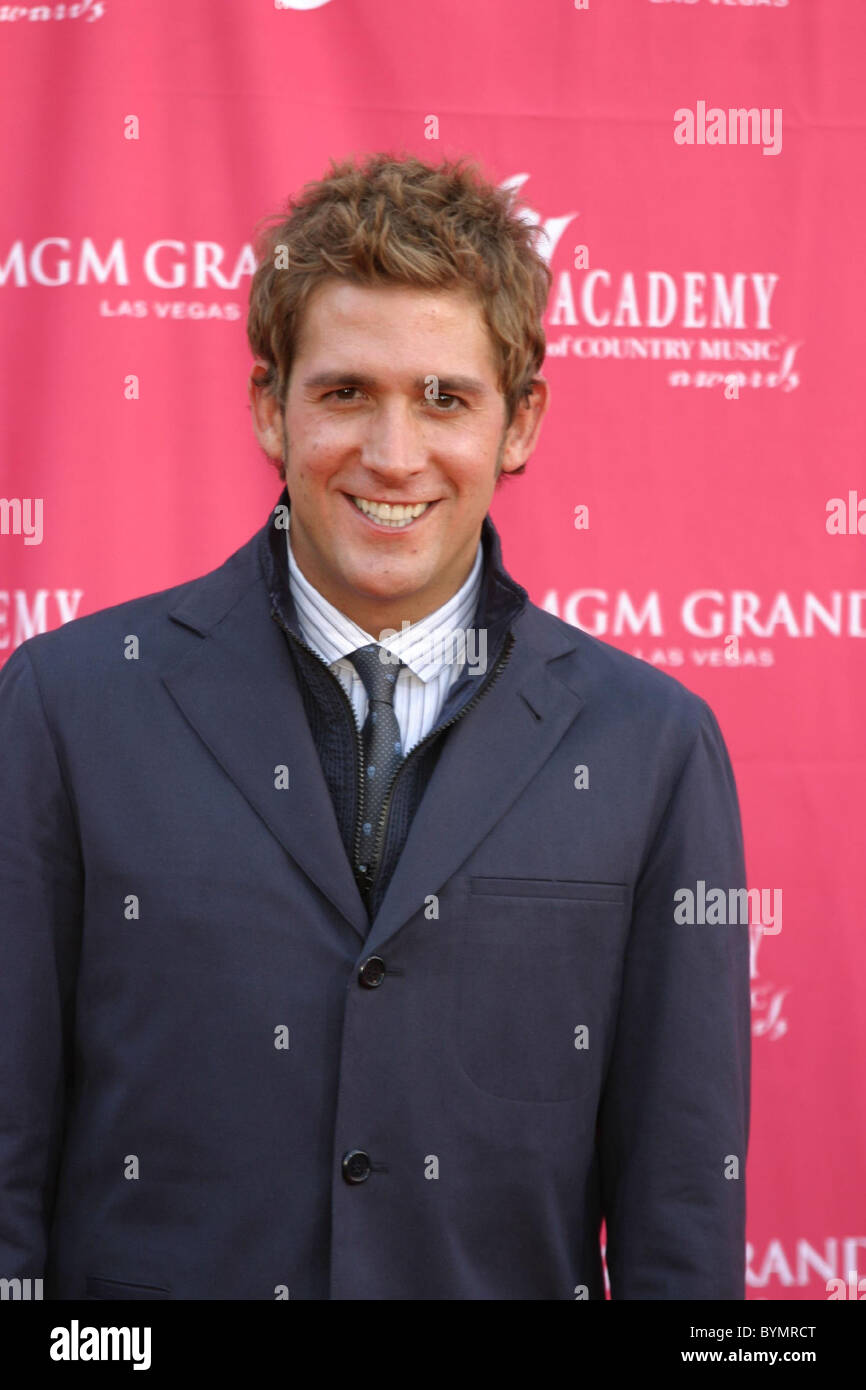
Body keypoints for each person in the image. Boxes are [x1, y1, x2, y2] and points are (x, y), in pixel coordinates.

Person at [0, 152, 750, 1300]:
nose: (393, 456)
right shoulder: (65, 704)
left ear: (520, 421)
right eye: (345, 391)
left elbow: (681, 1218)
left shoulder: (650, 748)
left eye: (443, 397)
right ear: (269, 404)